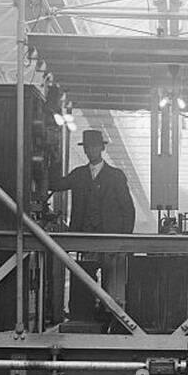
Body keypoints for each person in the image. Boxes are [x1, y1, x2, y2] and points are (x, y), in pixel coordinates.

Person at [49, 129, 136, 321]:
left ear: (102, 148)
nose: (90, 151)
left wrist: (124, 241)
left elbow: (128, 210)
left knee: (110, 282)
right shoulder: (78, 175)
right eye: (88, 147)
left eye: (94, 147)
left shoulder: (116, 176)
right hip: (84, 238)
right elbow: (55, 184)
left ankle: (108, 318)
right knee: (83, 278)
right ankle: (82, 316)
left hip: (110, 239)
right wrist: (52, 154)